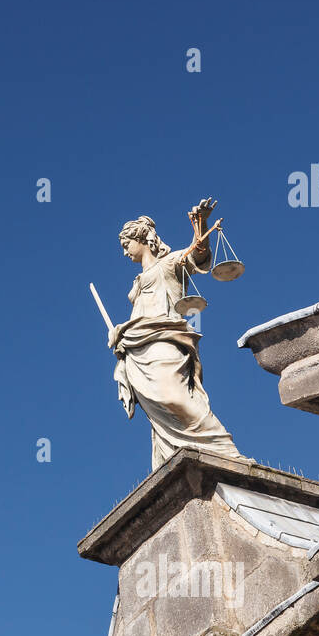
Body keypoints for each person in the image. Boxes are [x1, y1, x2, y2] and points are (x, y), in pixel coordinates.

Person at [109, 199, 248, 470]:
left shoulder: (169, 263)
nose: (125, 252)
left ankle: (222, 449)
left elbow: (197, 253)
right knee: (161, 412)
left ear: (141, 239)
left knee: (174, 397)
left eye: (127, 245)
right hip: (139, 348)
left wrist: (202, 223)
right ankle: (174, 456)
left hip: (165, 339)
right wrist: (120, 335)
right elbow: (139, 315)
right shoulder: (137, 281)